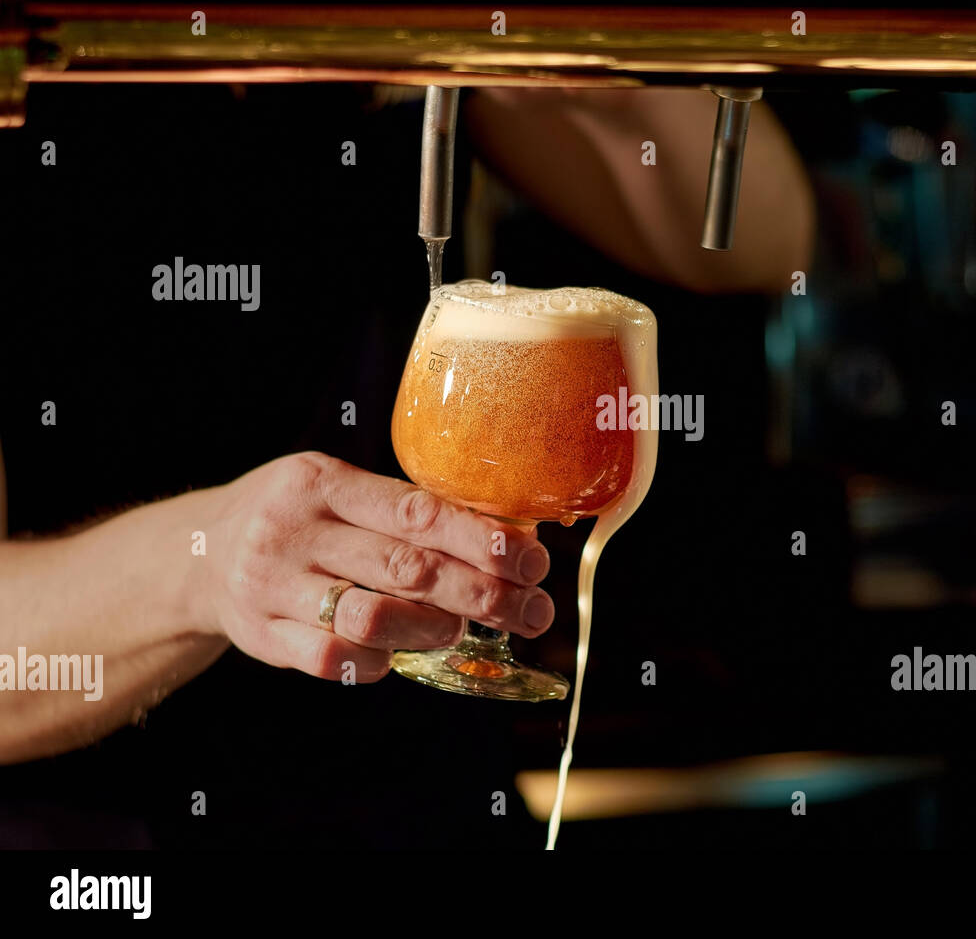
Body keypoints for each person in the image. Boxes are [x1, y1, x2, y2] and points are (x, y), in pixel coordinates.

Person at [0, 86, 814, 766]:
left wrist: (577, 45)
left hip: (419, 767)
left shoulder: (375, 36)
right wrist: (209, 563)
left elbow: (761, 241)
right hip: (115, 821)